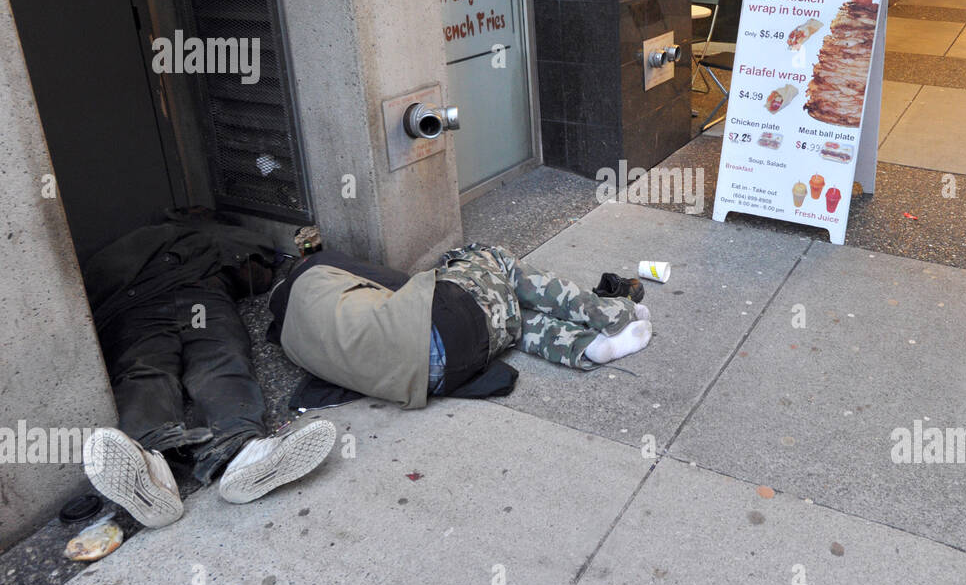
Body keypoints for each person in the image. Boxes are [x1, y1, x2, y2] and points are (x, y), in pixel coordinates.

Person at [78, 214, 337, 528]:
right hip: (187, 298)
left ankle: (153, 464)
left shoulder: (133, 248)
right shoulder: (208, 236)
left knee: (146, 370)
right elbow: (254, 273)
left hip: (139, 305)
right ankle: (239, 446)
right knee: (218, 359)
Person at [267, 244, 654, 411]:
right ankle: (611, 312)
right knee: (492, 261)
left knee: (502, 314)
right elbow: (405, 283)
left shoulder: (287, 339)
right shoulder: (320, 271)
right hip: (442, 324)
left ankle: (584, 347)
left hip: (442, 374)